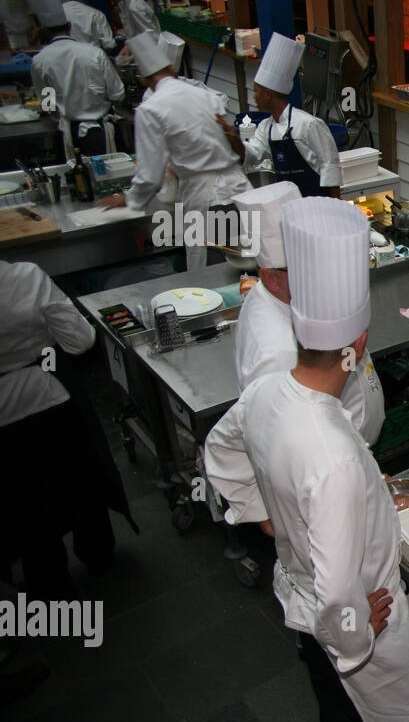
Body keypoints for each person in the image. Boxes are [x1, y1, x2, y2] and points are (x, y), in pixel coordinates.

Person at [204, 198, 409, 722]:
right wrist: (353, 628)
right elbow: (340, 584)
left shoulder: (269, 392)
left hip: (296, 598)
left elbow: (219, 451)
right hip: (365, 632)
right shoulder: (337, 460)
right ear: (359, 342)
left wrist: (263, 517)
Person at [0, 260, 137, 601]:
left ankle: (49, 583)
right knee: (80, 480)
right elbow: (79, 341)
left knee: (24, 502)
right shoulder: (26, 277)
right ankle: (98, 554)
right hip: (49, 395)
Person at [230, 181, 384, 443]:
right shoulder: (280, 354)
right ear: (270, 277)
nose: (317, 274)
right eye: (301, 268)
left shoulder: (288, 300)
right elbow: (296, 444)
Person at [96, 32, 251, 271]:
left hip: (207, 199)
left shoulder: (151, 109)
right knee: (247, 259)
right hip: (240, 191)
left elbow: (150, 174)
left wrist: (129, 199)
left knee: (215, 271)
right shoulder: (205, 94)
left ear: (143, 79)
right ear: (171, 67)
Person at [223, 32, 341, 198]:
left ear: (268, 93)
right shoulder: (266, 127)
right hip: (291, 207)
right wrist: (232, 139)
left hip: (318, 205)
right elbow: (253, 154)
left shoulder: (309, 124)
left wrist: (336, 208)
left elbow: (331, 167)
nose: (254, 96)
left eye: (257, 91)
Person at [23, 0, 123, 157]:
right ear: (69, 26)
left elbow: (47, 103)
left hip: (69, 134)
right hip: (102, 132)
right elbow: (117, 93)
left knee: (78, 180)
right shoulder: (94, 53)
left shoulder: (40, 60)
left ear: (44, 31)